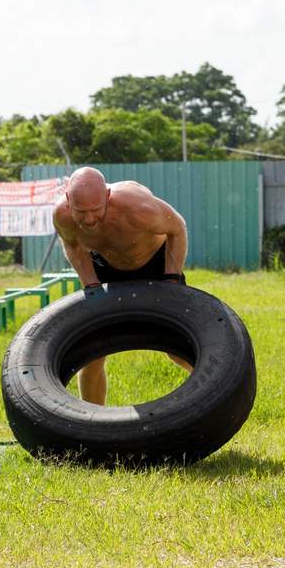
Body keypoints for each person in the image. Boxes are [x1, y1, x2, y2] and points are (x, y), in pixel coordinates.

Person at [52, 167, 191, 405]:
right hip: (104, 266)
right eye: (80, 211)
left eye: (95, 210)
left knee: (177, 347)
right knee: (92, 354)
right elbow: (73, 246)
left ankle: (217, 387)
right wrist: (91, 285)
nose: (88, 219)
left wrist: (171, 280)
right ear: (68, 200)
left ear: (107, 196)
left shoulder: (139, 207)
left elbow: (177, 229)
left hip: (154, 264)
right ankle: (94, 420)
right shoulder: (61, 216)